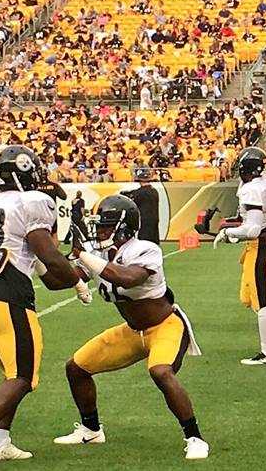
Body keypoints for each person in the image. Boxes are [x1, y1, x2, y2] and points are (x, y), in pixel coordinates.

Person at [0, 146, 85, 470]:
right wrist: (78, 279)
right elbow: (50, 255)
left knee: (10, 375)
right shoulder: (31, 203)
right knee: (23, 377)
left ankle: (1, 443)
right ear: (26, 170)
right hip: (10, 299)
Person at [55, 195, 208, 459]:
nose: (100, 229)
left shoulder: (146, 249)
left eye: (106, 224)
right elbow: (61, 280)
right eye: (100, 224)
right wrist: (41, 256)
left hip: (165, 326)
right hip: (132, 331)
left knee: (161, 372)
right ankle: (91, 430)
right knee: (76, 368)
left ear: (124, 226)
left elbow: (127, 278)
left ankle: (194, 437)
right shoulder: (101, 253)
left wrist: (84, 256)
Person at [212, 147, 266, 366]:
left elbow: (252, 229)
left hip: (261, 245)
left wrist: (227, 233)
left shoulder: (252, 189)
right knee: (250, 296)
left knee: (262, 301)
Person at [122, 170, 160, 244]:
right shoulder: (154, 191)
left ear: (140, 181)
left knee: (144, 239)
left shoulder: (139, 193)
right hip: (154, 218)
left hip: (144, 219)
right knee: (153, 238)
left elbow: (131, 199)